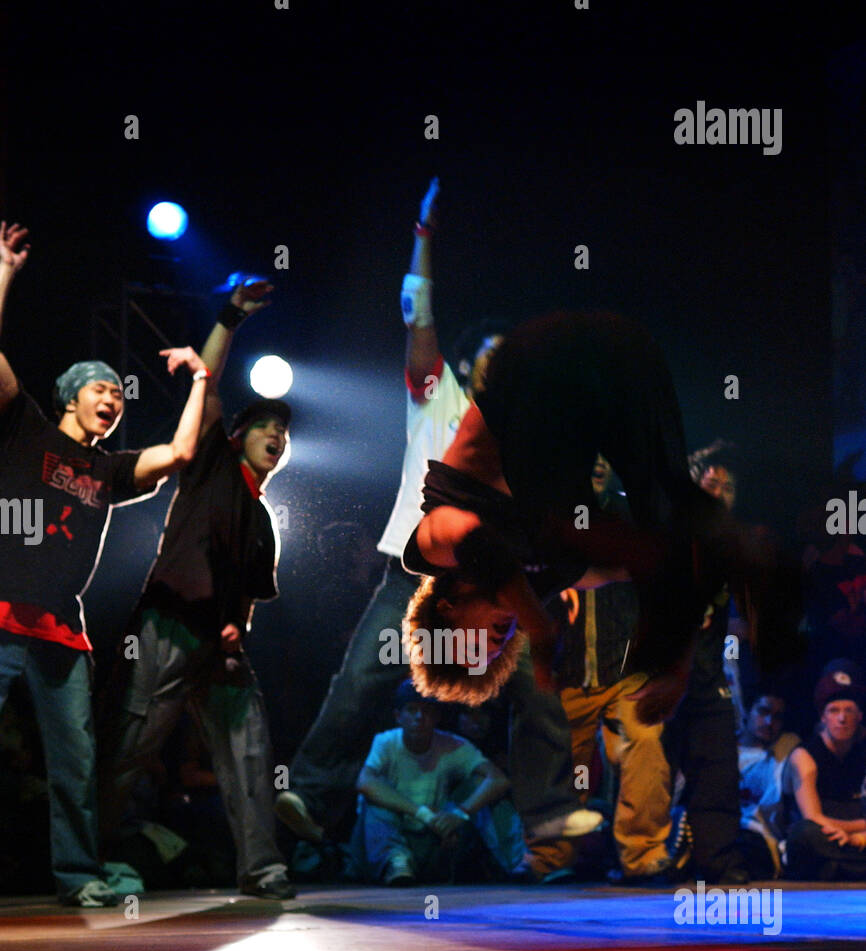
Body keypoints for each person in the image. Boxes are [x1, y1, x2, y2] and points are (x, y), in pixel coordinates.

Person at [278, 181, 599, 857]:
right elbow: (415, 314)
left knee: (541, 691)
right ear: (467, 366)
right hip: (414, 572)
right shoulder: (438, 397)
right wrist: (423, 236)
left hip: (492, 583)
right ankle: (310, 793)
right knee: (362, 678)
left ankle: (545, 818)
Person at [400, 310, 789, 728]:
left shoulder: (430, 552)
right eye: (496, 655)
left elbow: (471, 537)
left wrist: (538, 623)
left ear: (447, 610)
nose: (497, 645)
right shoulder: (546, 579)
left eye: (473, 649)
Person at [0, 218, 210, 906]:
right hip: (2, 612)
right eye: (102, 389)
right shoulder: (26, 428)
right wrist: (2, 271)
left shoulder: (112, 468)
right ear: (70, 395)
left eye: (120, 394)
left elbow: (178, 456)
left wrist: (202, 379)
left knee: (75, 759)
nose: (114, 399)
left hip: (61, 627)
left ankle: (76, 875)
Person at [99, 278, 295, 900]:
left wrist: (236, 633)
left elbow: (246, 599)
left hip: (220, 643)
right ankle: (83, 859)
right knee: (133, 745)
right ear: (240, 436)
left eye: (283, 432)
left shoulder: (264, 521)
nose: (277, 435)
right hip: (170, 624)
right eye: (265, 425)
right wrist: (231, 316)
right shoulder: (213, 461)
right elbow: (206, 386)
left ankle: (261, 871)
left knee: (250, 750)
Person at [555, 456, 685, 883]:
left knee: (644, 740)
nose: (597, 463)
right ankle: (549, 858)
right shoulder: (546, 510)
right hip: (565, 671)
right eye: (588, 453)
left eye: (608, 457)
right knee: (557, 760)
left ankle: (644, 853)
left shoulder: (634, 516)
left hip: (625, 670)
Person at [663, 443, 750, 883]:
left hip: (707, 680)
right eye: (710, 483)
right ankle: (643, 864)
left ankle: (719, 865)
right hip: (655, 676)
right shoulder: (665, 532)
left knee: (718, 772)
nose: (717, 493)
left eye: (727, 488)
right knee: (650, 775)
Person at [350, 680, 512, 885]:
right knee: (375, 797)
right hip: (385, 840)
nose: (419, 717)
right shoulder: (386, 742)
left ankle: (515, 863)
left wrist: (459, 814)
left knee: (477, 785)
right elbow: (364, 782)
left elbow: (497, 779)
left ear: (436, 717)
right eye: (412, 710)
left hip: (434, 838)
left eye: (426, 711)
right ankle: (396, 863)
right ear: (398, 717)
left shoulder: (452, 745)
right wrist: (422, 813)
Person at [784, 664, 866, 880]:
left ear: (859, 716)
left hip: (858, 839)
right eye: (834, 711)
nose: (842, 718)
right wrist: (853, 835)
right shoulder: (804, 756)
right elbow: (812, 817)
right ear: (823, 717)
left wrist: (858, 837)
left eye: (849, 710)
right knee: (805, 835)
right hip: (824, 835)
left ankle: (839, 869)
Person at [736, 690, 800, 878]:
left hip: (762, 839)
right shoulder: (723, 748)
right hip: (725, 830)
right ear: (747, 711)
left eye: (777, 717)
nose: (769, 722)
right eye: (763, 712)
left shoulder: (787, 747)